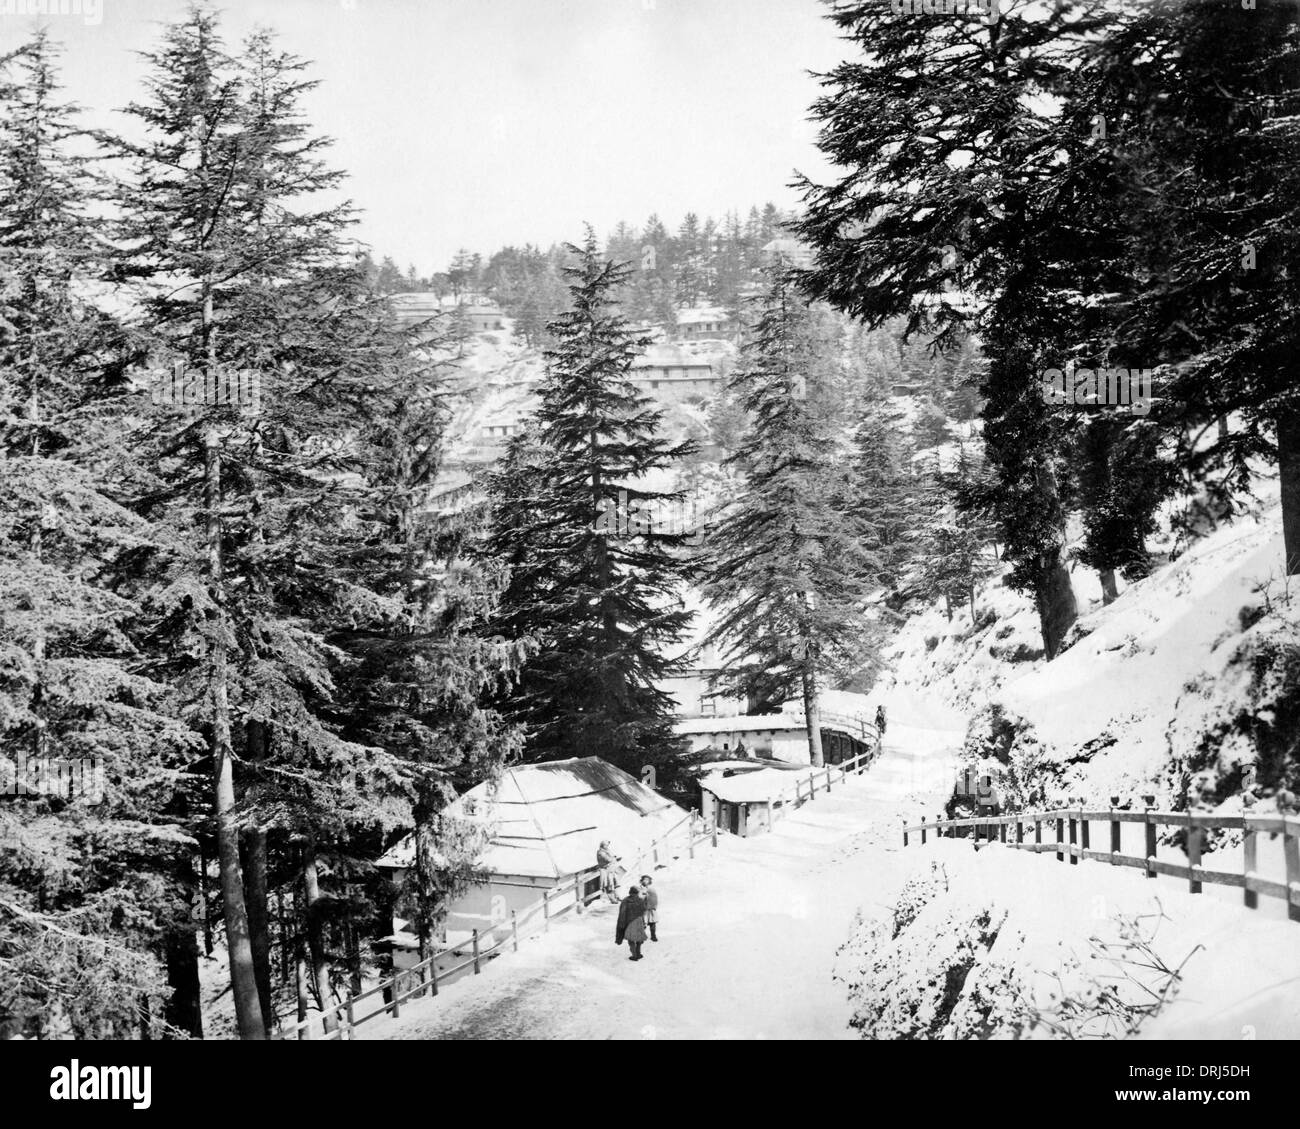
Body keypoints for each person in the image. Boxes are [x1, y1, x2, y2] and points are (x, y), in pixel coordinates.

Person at [615, 884, 647, 961]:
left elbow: (622, 914)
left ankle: (634, 955)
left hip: (629, 922)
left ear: (630, 892)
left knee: (631, 940)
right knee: (639, 938)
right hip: (639, 921)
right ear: (637, 893)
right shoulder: (640, 900)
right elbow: (643, 912)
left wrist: (621, 925)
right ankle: (638, 953)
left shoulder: (625, 901)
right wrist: (643, 922)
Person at [597, 840, 621, 904]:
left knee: (614, 883)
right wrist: (614, 858)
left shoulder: (607, 851)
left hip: (610, 869)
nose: (607, 846)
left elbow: (612, 858)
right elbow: (608, 859)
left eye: (607, 845)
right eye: (605, 845)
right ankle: (612, 899)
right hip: (605, 870)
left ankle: (617, 896)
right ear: (602, 845)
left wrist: (614, 858)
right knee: (609, 884)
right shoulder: (600, 852)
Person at [639, 874, 659, 942]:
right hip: (644, 909)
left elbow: (655, 897)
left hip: (651, 908)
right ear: (641, 881)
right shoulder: (640, 889)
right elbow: (639, 898)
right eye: (644, 880)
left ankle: (653, 936)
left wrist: (655, 906)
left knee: (652, 923)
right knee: (643, 923)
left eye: (647, 880)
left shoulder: (652, 889)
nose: (646, 881)